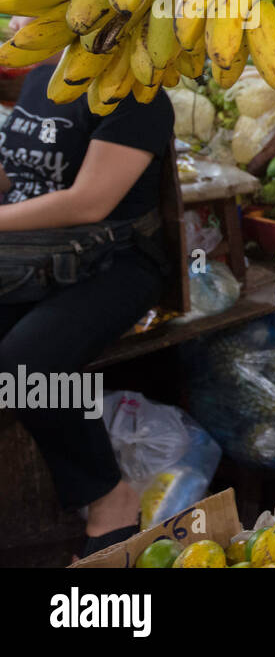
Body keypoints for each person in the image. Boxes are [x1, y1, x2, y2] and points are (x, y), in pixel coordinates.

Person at [0, 34, 175, 558]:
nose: (22, 22)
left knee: (24, 365)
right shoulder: (39, 79)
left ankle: (108, 496)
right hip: (30, 256)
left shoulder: (139, 97)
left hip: (115, 262)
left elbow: (90, 201)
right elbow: (18, 176)